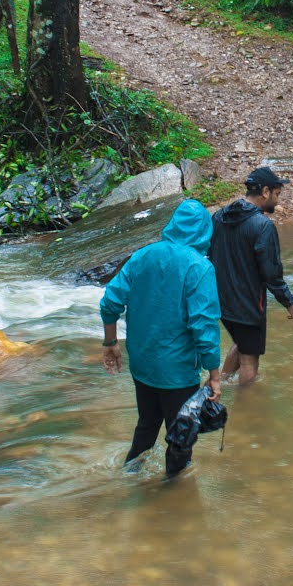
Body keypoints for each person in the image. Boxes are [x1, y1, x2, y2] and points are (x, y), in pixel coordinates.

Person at [99, 199, 223, 470]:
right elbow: (204, 326)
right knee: (180, 439)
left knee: (147, 424)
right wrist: (214, 375)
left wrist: (110, 343)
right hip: (177, 371)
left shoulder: (143, 255)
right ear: (205, 232)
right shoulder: (199, 268)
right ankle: (173, 496)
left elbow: (110, 302)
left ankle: (130, 477)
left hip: (142, 362)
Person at [210, 166, 293, 386]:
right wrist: (288, 301)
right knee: (250, 360)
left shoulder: (220, 216)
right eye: (277, 195)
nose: (277, 202)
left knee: (242, 343)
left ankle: (217, 386)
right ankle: (248, 411)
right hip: (248, 303)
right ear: (265, 191)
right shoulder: (262, 226)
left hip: (221, 300)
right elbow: (271, 272)